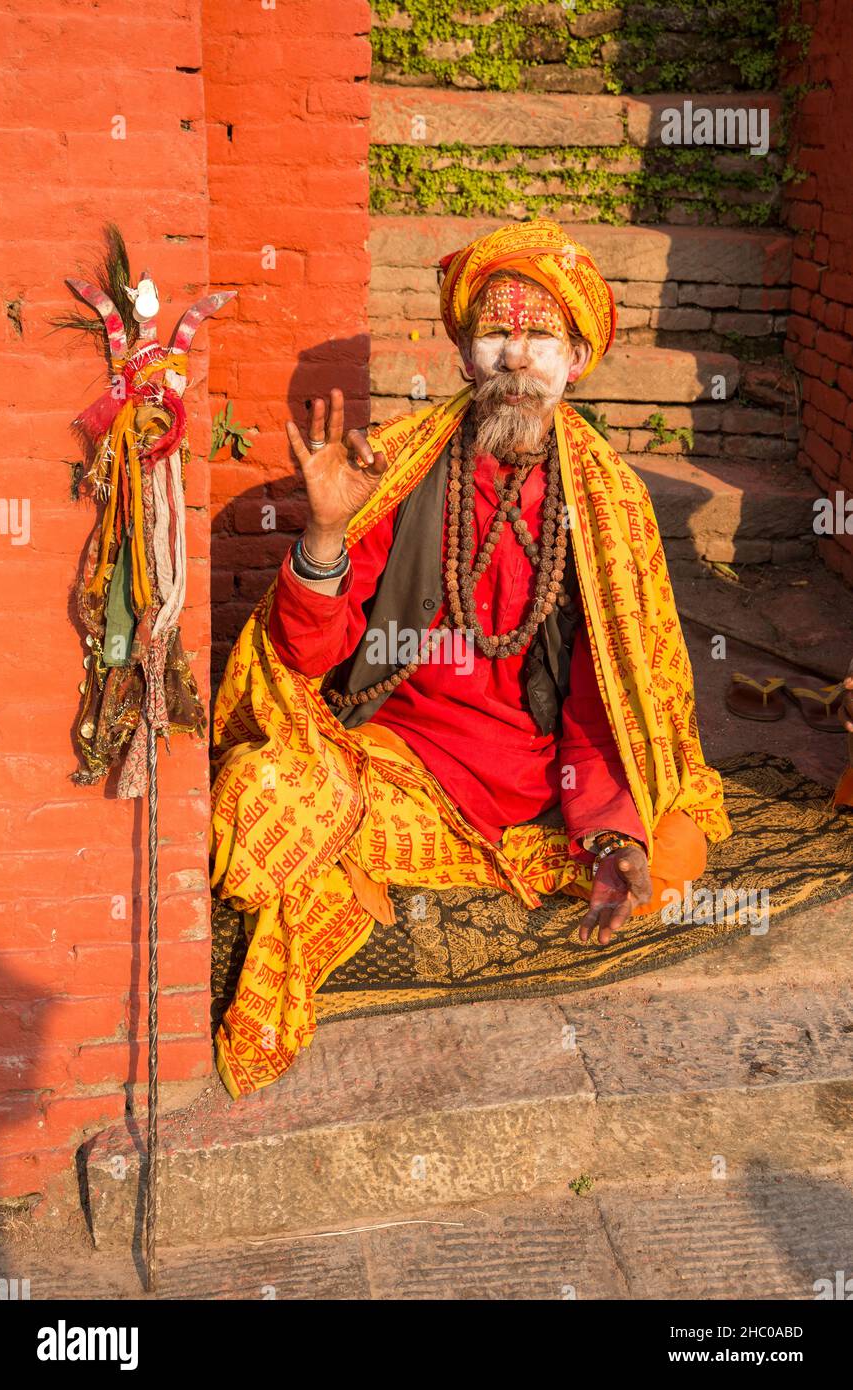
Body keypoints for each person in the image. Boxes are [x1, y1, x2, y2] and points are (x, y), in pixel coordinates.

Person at [210, 219, 731, 1099]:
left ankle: (360, 867)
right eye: (495, 334)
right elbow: (312, 653)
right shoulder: (404, 467)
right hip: (392, 765)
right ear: (463, 355)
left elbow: (612, 703)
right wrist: (328, 534)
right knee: (257, 799)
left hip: (534, 795)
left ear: (574, 361)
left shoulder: (611, 506)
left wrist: (609, 830)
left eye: (539, 339)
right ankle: (348, 856)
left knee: (663, 855)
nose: (515, 358)